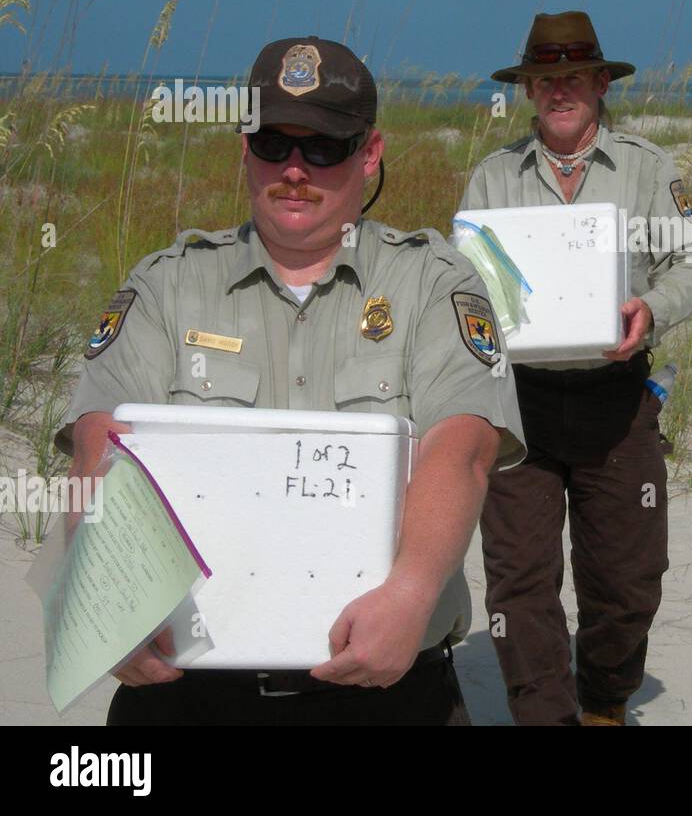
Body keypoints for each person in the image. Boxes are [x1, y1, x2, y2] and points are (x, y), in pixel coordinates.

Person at [55, 36, 526, 726]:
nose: (296, 169)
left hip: (387, 689)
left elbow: (464, 447)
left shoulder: (433, 281)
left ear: (369, 154)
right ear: (245, 147)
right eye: (274, 143)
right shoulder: (165, 284)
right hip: (188, 696)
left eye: (325, 147)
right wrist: (104, 589)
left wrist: (413, 589)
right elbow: (100, 442)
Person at [458, 10, 692, 725]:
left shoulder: (648, 167)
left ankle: (603, 703)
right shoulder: (492, 177)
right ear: (528, 90)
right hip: (519, 406)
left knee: (628, 580)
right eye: (544, 79)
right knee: (520, 582)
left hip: (617, 401)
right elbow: (464, 287)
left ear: (602, 82)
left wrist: (651, 310)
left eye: (573, 76)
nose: (559, 89)